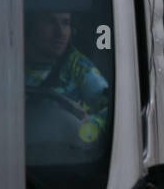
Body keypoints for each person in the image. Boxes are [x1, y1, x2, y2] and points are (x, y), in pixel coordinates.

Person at [25, 11, 110, 145]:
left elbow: (110, 110)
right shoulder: (9, 65)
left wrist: (82, 133)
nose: (60, 33)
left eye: (65, 23)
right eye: (50, 22)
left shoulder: (78, 66)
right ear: (30, 25)